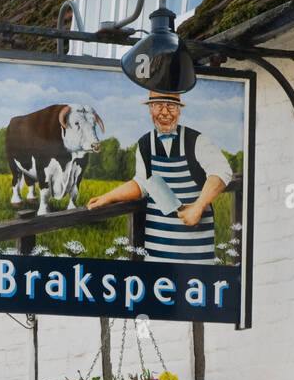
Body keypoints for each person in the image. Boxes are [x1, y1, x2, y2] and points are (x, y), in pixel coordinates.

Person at [87, 91, 232, 263]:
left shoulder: (197, 141)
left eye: (171, 106)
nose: (164, 112)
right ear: (150, 109)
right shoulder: (145, 144)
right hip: (156, 252)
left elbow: (222, 171)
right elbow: (141, 183)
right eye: (158, 106)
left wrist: (198, 207)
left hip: (196, 254)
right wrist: (107, 197)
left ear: (179, 110)